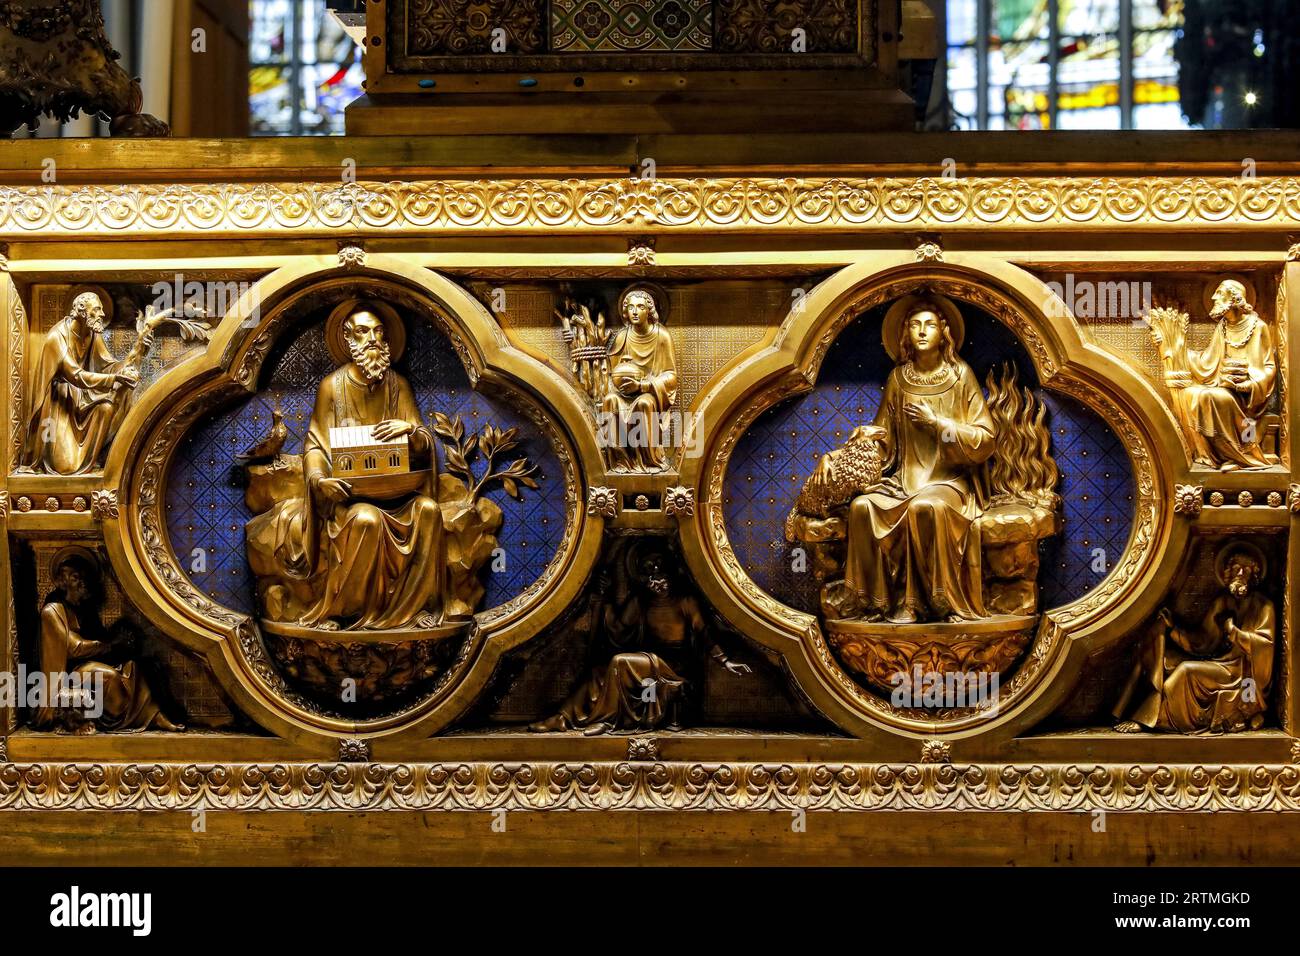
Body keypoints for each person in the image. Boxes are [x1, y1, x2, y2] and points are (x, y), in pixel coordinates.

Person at [246, 301, 445, 630]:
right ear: (349, 339)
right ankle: (342, 612)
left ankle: (413, 609)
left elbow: (424, 443)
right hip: (349, 497)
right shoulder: (332, 388)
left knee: (430, 511)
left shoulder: (398, 385)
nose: (373, 340)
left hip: (398, 494)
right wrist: (320, 481)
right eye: (364, 332)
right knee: (366, 519)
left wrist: (410, 430)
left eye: (379, 332)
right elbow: (315, 446)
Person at [839, 300, 996, 623]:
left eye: (930, 325)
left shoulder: (959, 376)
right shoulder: (898, 379)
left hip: (948, 482)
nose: (922, 331)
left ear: (944, 333)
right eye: (915, 325)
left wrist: (937, 423)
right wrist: (872, 435)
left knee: (925, 507)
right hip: (904, 479)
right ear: (905, 334)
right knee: (862, 508)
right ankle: (875, 603)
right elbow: (887, 436)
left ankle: (931, 604)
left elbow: (985, 438)